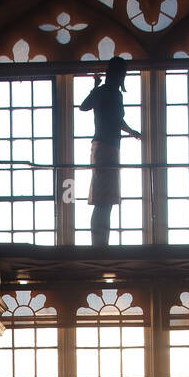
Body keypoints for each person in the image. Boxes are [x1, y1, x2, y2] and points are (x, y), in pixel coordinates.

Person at [78, 56, 141, 247]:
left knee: (102, 200)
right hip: (109, 148)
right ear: (120, 74)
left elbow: (84, 106)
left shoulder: (102, 92)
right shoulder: (114, 94)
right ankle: (100, 245)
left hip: (100, 148)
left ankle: (99, 243)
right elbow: (116, 120)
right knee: (106, 200)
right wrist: (132, 132)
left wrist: (96, 87)